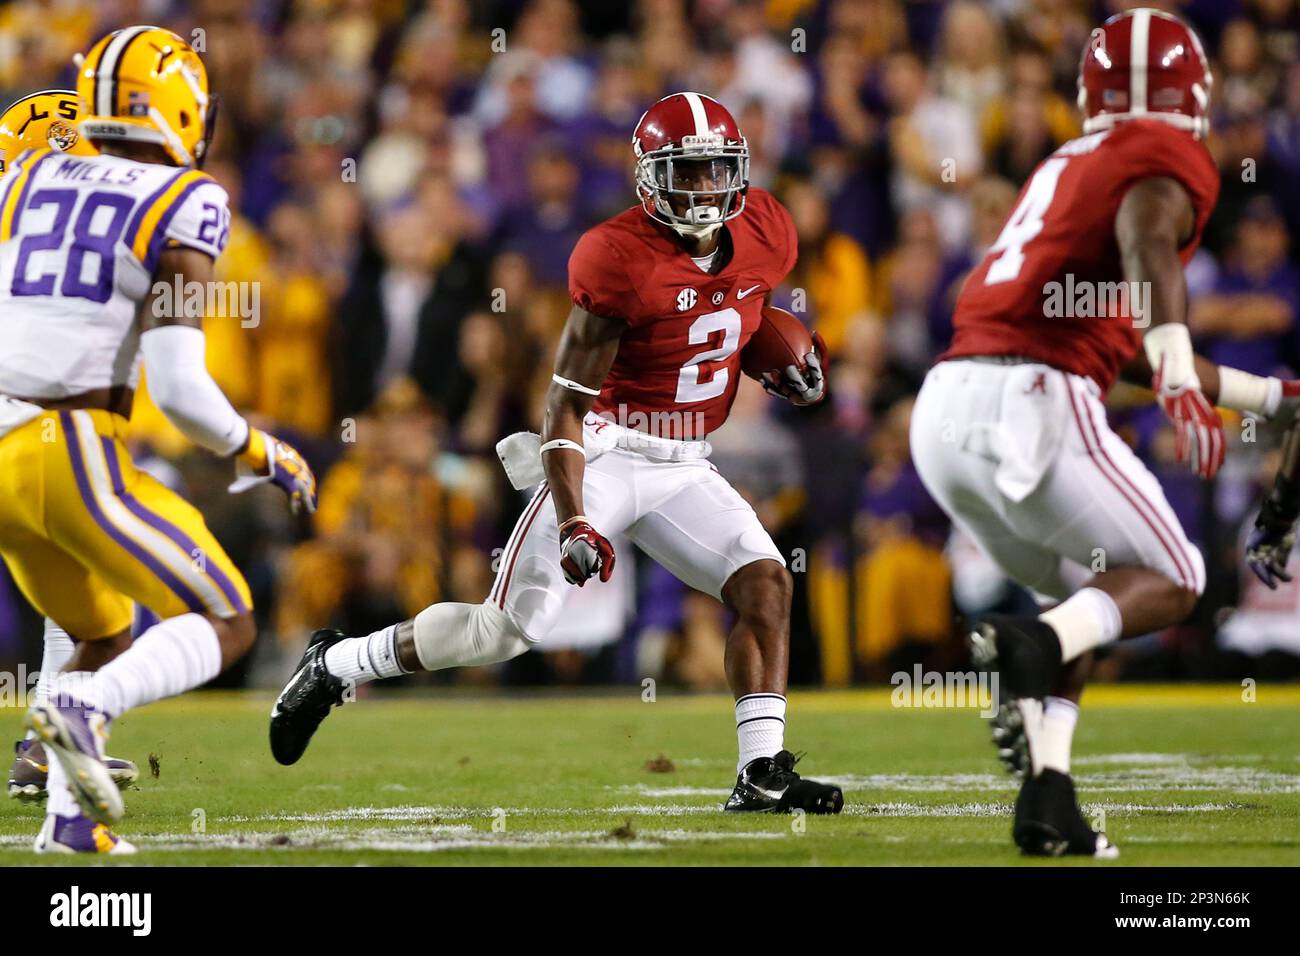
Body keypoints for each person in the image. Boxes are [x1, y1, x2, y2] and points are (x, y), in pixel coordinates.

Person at [270, 92, 843, 815]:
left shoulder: (766, 226)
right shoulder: (619, 257)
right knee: (508, 630)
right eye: (685, 172)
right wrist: (576, 520)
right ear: (647, 176)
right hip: (601, 449)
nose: (701, 189)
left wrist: (780, 360)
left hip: (684, 459)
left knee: (766, 584)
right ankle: (334, 664)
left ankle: (760, 773)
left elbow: (741, 309)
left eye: (712, 171)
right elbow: (566, 403)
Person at [910, 9, 1299, 857]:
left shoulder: (1068, 161)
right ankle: (1032, 644)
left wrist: (1263, 395)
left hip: (944, 409)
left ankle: (1048, 796)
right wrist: (1172, 364)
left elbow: (1112, 336)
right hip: (1033, 398)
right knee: (1180, 573)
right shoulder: (1162, 162)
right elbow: (1148, 243)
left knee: (1094, 593)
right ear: (1187, 94)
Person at [1, 27, 315, 854]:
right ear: (180, 107)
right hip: (59, 445)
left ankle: (69, 824)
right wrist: (260, 450)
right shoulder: (188, 198)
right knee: (229, 616)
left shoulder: (26, 173)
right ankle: (82, 712)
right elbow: (179, 390)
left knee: (103, 633)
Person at [0, 89, 140, 804]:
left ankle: (44, 750)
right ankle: (48, 746)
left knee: (79, 593)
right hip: (31, 435)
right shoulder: (91, 238)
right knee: (96, 590)